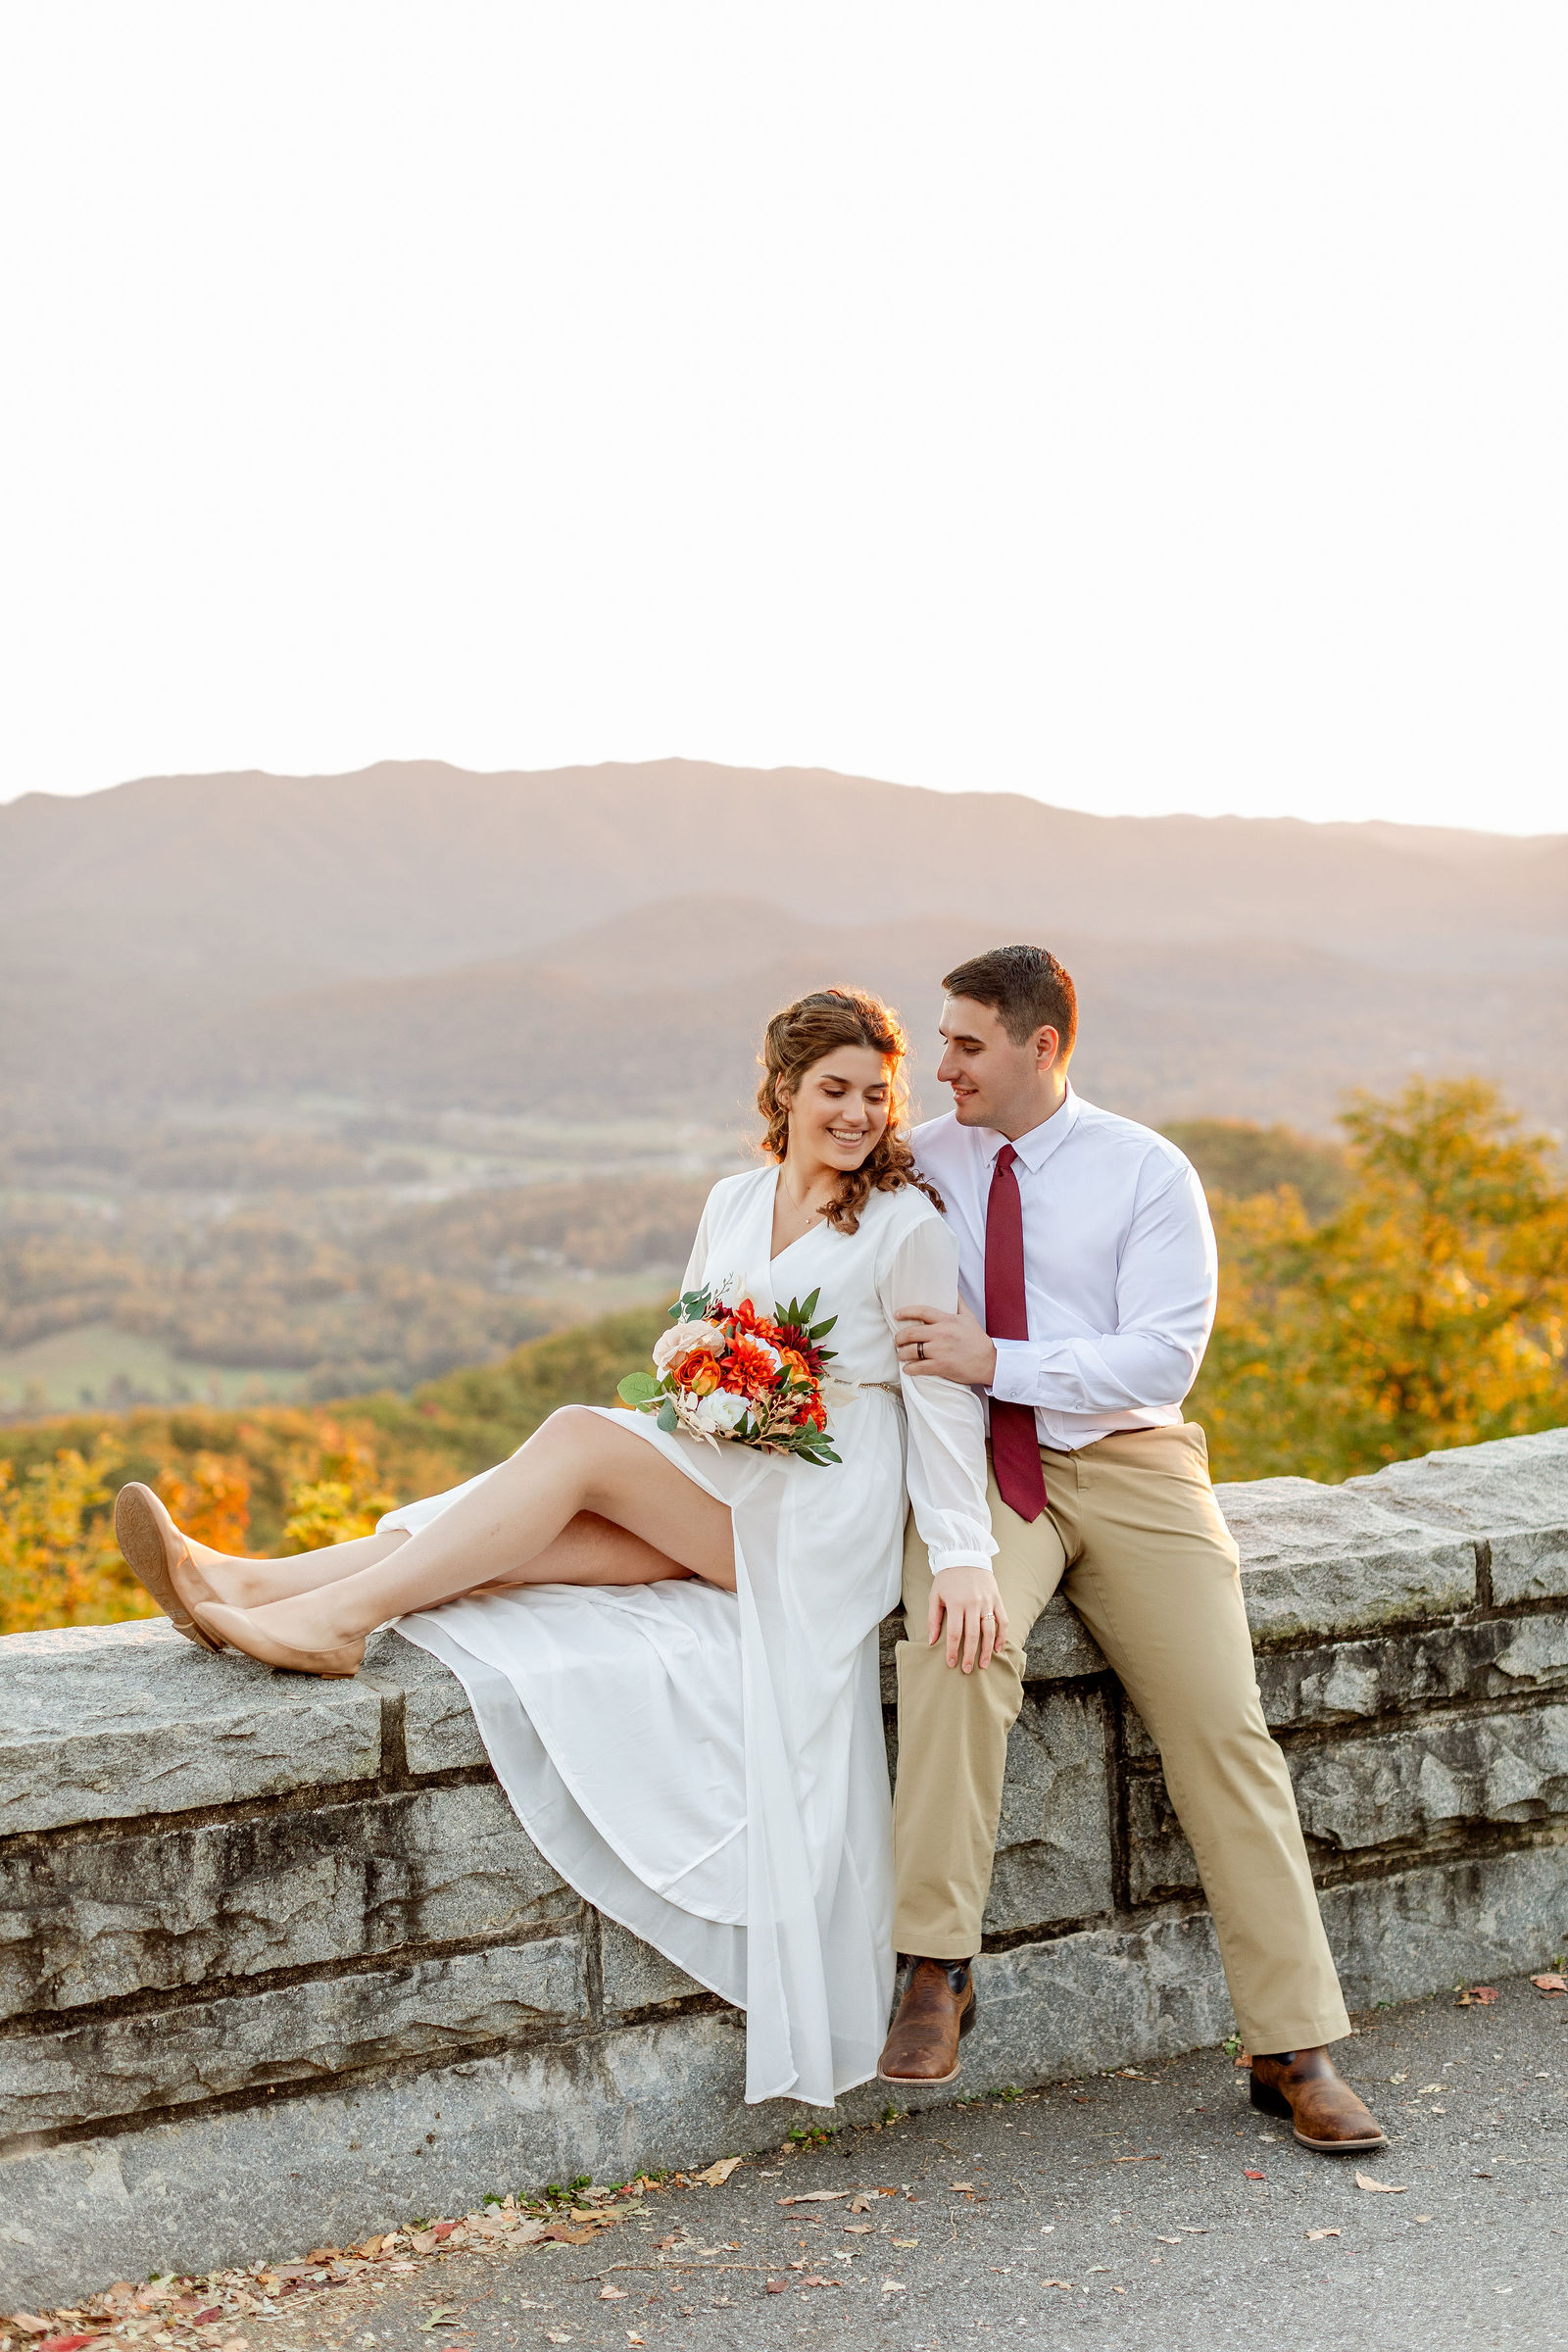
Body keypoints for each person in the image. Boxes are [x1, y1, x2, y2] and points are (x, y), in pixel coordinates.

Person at [112, 989, 996, 2111]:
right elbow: (695, 1339)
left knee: (577, 1439)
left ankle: (337, 1619)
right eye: (835, 1090)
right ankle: (246, 1580)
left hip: (823, 1509)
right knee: (535, 1536)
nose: (859, 1113)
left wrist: (961, 1553)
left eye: (877, 1093)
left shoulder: (903, 1226)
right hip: (727, 1473)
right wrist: (703, 1387)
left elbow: (940, 1399)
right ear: (782, 1091)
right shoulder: (734, 1200)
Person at [879, 944, 1387, 2156]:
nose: (937, 1066)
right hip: (981, 1462)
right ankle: (934, 1968)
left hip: (1133, 1463)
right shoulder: (922, 1165)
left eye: (963, 1044)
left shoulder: (1146, 1173)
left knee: (1222, 1726)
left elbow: (1160, 1358)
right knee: (956, 1650)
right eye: (939, 1041)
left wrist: (1000, 1359)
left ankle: (1291, 2043)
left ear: (1039, 1045)